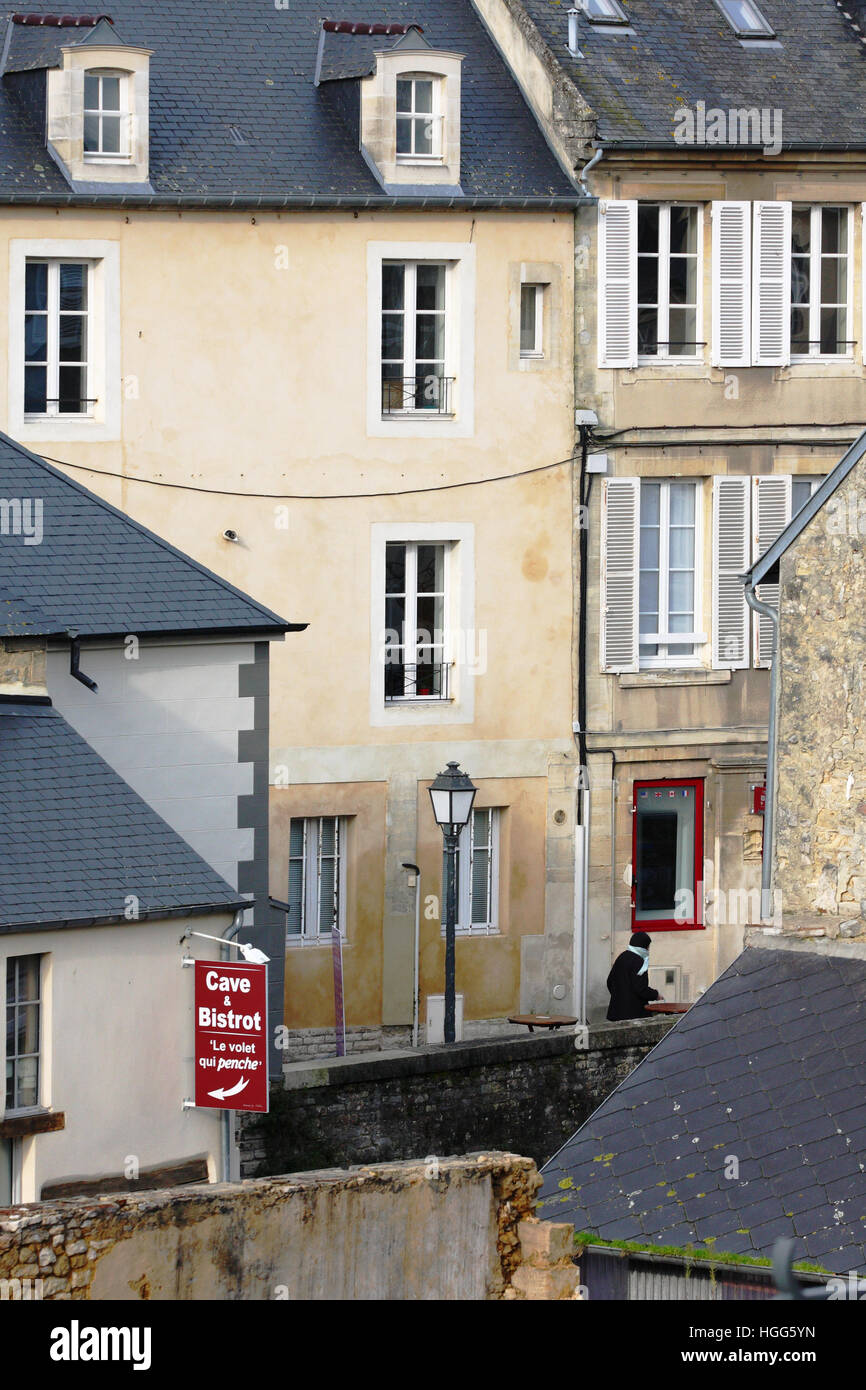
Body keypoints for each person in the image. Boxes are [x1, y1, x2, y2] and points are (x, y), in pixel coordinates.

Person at [606, 931, 661, 1021]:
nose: (648, 950)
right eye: (648, 947)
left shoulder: (621, 957)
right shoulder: (639, 961)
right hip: (634, 1015)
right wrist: (656, 995)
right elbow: (641, 989)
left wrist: (619, 996)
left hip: (616, 1012)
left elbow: (609, 982)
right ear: (643, 946)